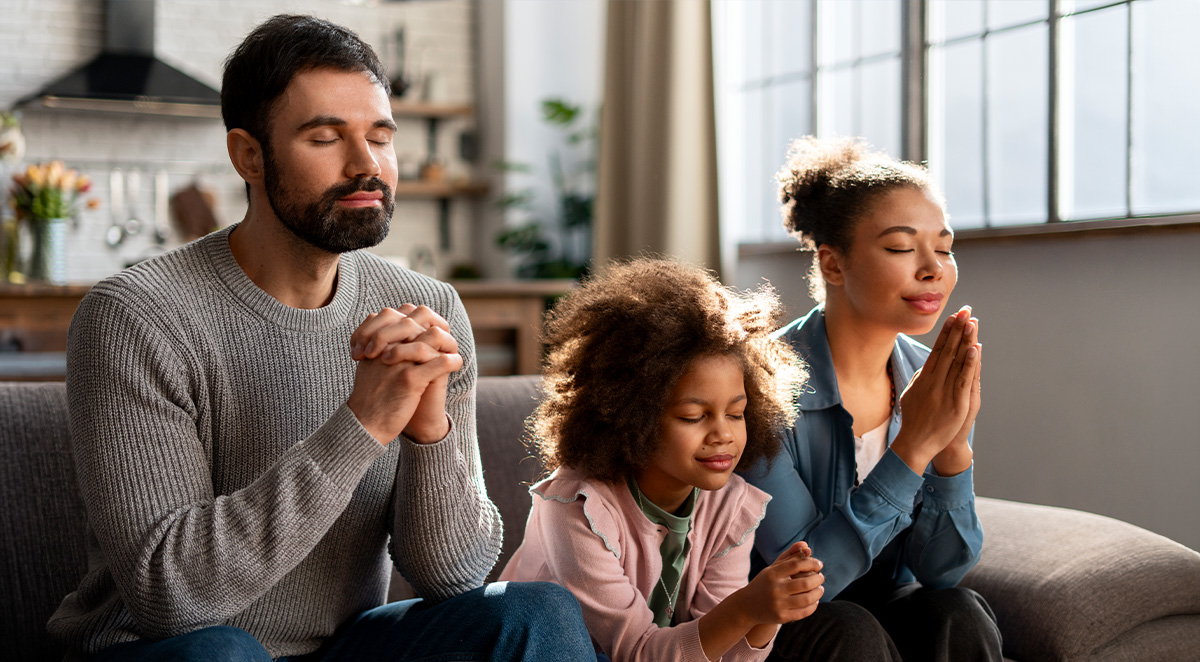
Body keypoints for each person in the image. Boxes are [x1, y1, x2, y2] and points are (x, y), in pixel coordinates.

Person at [46, 14, 594, 662]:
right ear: (249, 155)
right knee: (221, 654)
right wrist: (361, 423)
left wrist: (429, 432)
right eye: (326, 138)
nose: (367, 165)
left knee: (536, 613)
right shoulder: (137, 317)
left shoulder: (428, 310)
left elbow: (453, 575)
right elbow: (174, 598)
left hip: (342, 648)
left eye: (381, 137)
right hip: (165, 650)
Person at [746, 136, 1002, 662]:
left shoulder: (929, 377)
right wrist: (911, 448)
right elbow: (803, 579)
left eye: (945, 248)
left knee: (959, 610)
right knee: (849, 626)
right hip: (775, 620)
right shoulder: (759, 386)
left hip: (880, 609)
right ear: (833, 265)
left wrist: (952, 450)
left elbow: (942, 570)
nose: (932, 268)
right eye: (902, 248)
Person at [499, 258, 825, 661]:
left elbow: (724, 657)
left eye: (737, 413)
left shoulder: (731, 506)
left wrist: (766, 614)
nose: (723, 433)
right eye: (693, 416)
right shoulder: (576, 508)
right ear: (632, 414)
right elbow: (635, 653)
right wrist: (745, 608)